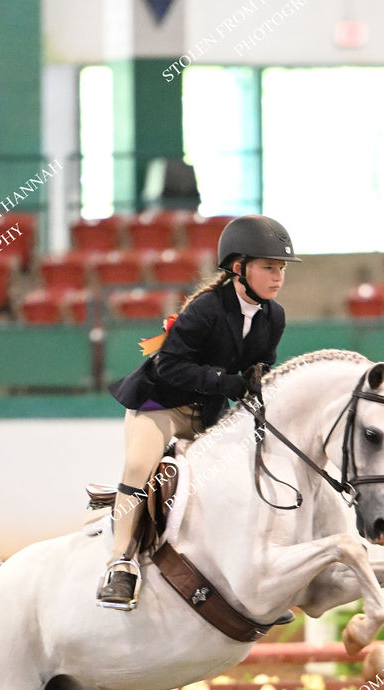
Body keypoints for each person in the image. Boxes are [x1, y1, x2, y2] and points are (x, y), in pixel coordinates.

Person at [96, 214, 299, 608]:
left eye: (281, 269)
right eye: (268, 268)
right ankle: (119, 564)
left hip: (206, 411)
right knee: (139, 468)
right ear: (239, 268)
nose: (278, 277)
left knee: (238, 475)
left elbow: (263, 360)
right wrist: (225, 382)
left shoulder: (274, 316)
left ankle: (247, 570)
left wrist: (258, 375)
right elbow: (169, 365)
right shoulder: (206, 309)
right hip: (159, 403)